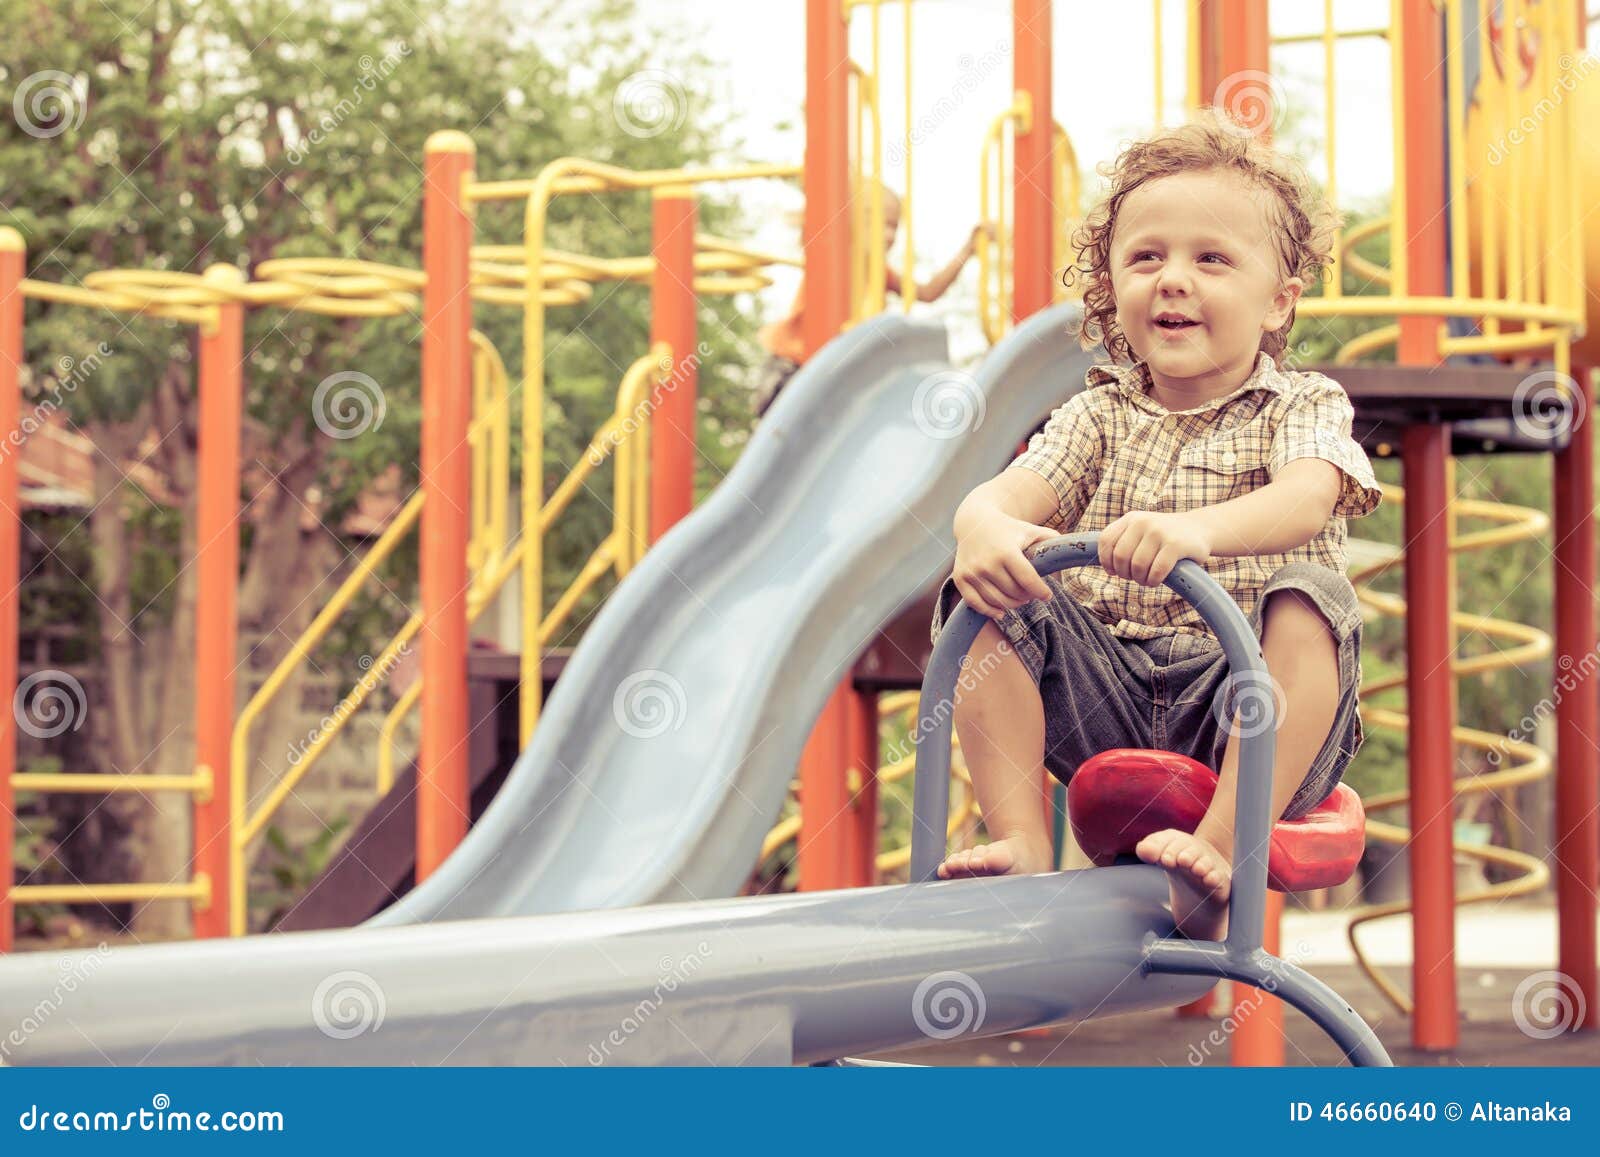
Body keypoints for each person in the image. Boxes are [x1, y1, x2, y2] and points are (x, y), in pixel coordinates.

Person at [928, 111, 1381, 941]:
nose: (1173, 278)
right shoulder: (1098, 414)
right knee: (982, 588)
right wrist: (981, 529)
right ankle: (1024, 840)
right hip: (1112, 704)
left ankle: (1218, 854)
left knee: (1312, 593)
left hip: (1244, 703)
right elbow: (999, 499)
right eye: (1146, 256)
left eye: (1212, 257)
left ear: (1279, 301)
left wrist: (1198, 530)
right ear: (1111, 286)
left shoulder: (1304, 404)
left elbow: (1310, 497)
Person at [753, 189, 990, 416]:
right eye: (881, 224)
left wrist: (967, 250)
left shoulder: (879, 272)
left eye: (894, 227)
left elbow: (927, 293)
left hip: (835, 370)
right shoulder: (835, 254)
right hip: (793, 365)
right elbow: (821, 225)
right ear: (855, 223)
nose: (889, 235)